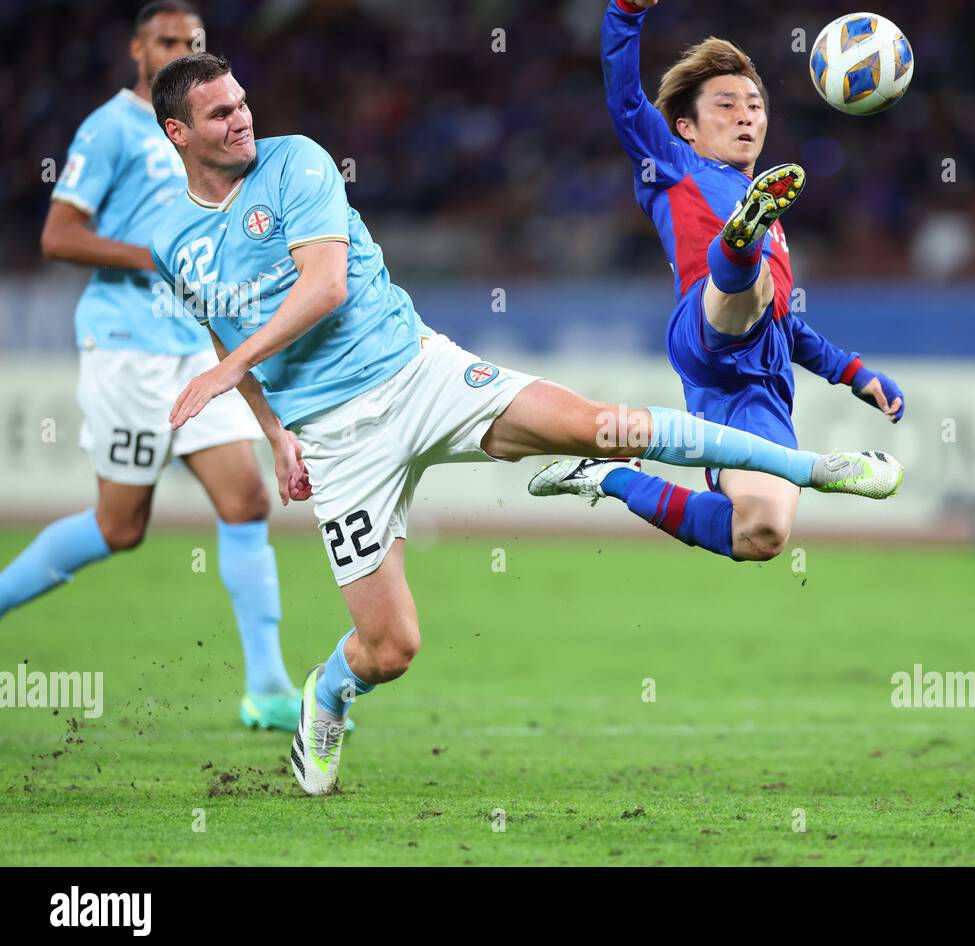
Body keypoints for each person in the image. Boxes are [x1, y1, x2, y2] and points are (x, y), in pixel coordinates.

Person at [148, 53, 902, 795]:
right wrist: (275, 432)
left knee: (604, 425)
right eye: (221, 113)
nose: (242, 118)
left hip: (421, 375)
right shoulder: (172, 240)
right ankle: (328, 695)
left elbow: (325, 286)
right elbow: (225, 330)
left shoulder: (296, 165)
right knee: (391, 647)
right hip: (335, 439)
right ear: (179, 133)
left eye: (243, 101)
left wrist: (224, 370)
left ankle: (814, 469)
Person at [0, 2, 302, 732]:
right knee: (119, 526)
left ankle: (267, 688)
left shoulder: (211, 129)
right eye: (166, 41)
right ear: (138, 47)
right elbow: (58, 235)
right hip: (128, 351)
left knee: (248, 504)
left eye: (192, 43)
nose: (178, 51)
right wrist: (156, 256)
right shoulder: (110, 130)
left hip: (199, 346)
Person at [529, 0, 905, 562]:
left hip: (760, 379)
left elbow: (785, 324)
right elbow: (625, 98)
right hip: (705, 330)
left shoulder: (773, 210)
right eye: (726, 106)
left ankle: (609, 477)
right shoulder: (675, 165)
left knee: (760, 535)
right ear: (687, 128)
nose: (746, 116)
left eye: (755, 105)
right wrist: (626, 13)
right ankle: (736, 244)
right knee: (747, 288)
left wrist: (854, 373)